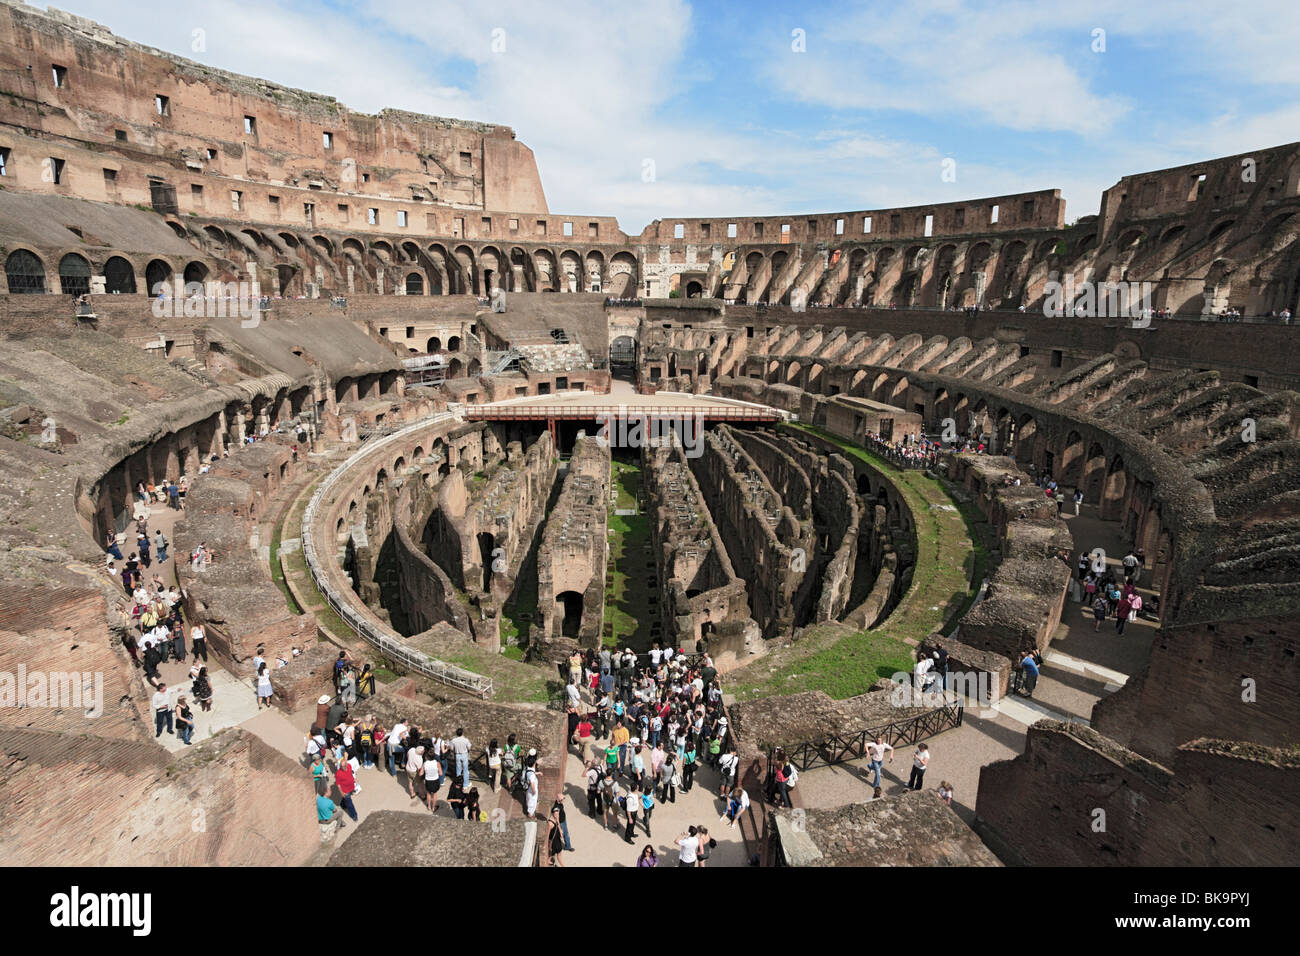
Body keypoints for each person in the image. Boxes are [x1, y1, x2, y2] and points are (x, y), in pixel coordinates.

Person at [523, 754, 540, 818]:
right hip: (531, 790)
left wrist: (538, 773)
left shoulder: (528, 769)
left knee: (528, 799)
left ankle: (529, 810)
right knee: (532, 801)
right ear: (533, 764)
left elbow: (531, 773)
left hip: (528, 789)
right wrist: (534, 791)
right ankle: (530, 814)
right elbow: (532, 783)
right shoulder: (532, 775)